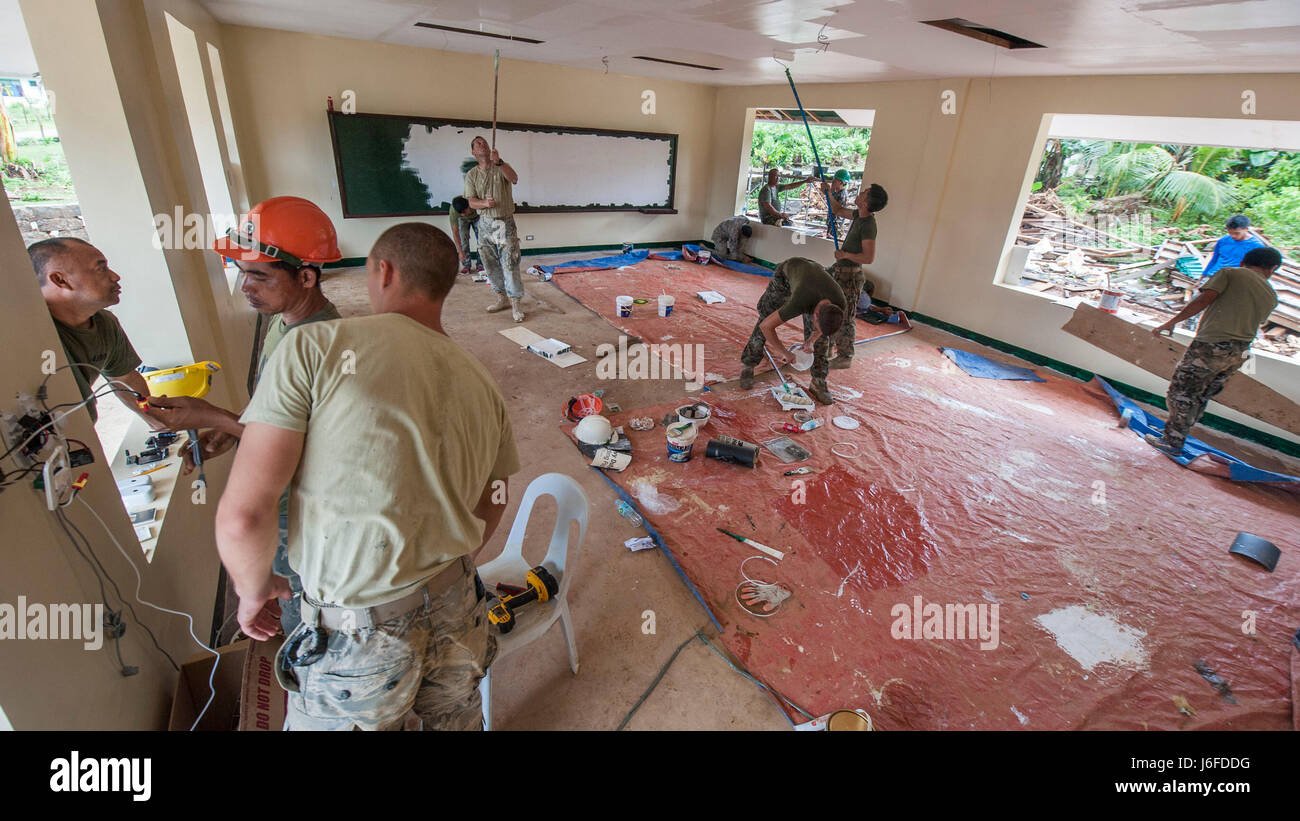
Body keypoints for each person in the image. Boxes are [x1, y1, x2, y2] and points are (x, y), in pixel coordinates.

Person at [215, 222, 520, 731]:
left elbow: (245, 515)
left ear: (383, 271)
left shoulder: (315, 348)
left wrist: (252, 589)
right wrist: (448, 562)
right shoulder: (481, 378)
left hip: (360, 628)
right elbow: (497, 495)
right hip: (459, 604)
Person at [148, 196, 343, 635]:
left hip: (304, 505)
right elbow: (284, 413)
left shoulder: (320, 343)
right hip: (283, 492)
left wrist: (215, 418)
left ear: (306, 276)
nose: (245, 287)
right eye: (242, 273)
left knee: (302, 605)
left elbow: (314, 445)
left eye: (258, 275)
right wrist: (239, 426)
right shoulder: (284, 320)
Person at [1146, 246, 1281, 456]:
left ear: (1244, 260)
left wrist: (1172, 322)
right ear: (1272, 268)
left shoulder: (1230, 273)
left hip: (1212, 345)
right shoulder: (1271, 294)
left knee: (1182, 392)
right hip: (1240, 351)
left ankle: (1172, 442)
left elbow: (1203, 299)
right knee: (1201, 395)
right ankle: (1174, 433)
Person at [31, 237, 167, 429]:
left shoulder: (104, 323)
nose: (115, 276)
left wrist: (156, 419)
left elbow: (124, 378)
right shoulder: (32, 334)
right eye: (101, 269)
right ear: (60, 280)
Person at [739, 257, 847, 406]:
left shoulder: (839, 304)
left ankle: (818, 382)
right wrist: (784, 352)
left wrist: (811, 340)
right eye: (817, 325)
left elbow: (823, 328)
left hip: (813, 273)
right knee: (765, 317)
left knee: (821, 340)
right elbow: (766, 326)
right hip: (787, 274)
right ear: (815, 315)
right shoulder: (800, 300)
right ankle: (749, 364)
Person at [821, 180, 889, 369]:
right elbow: (838, 210)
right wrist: (829, 194)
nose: (861, 192)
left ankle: (845, 355)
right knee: (832, 308)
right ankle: (828, 346)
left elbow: (868, 257)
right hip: (840, 272)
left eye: (864, 192)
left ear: (866, 203)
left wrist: (845, 255)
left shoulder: (868, 224)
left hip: (851, 276)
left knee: (846, 315)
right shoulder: (859, 215)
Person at [465, 135, 524, 322]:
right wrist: (483, 203)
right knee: (489, 263)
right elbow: (471, 201)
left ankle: (516, 303)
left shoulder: (500, 167)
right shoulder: (472, 174)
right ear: (474, 152)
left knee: (509, 262)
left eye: (484, 142)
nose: (482, 144)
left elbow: (514, 178)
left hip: (504, 222)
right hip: (485, 224)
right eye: (478, 143)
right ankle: (501, 297)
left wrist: (499, 162)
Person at [1201, 215, 1266, 279]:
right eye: (1230, 233)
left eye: (1237, 233)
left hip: (1236, 279)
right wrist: (1203, 275)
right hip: (1214, 275)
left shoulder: (1257, 246)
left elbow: (1257, 269)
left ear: (1246, 229)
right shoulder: (1223, 241)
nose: (1233, 236)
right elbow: (1214, 259)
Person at [449, 195, 482, 275]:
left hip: (477, 217)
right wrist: (460, 252)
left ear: (468, 206)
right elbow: (455, 233)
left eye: (464, 212)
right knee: (463, 239)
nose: (463, 214)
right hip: (462, 221)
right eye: (461, 213)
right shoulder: (454, 211)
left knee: (482, 239)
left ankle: (481, 264)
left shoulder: (474, 202)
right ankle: (466, 265)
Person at [824, 169, 851, 239]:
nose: (833, 181)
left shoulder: (842, 195)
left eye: (835, 180)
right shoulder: (836, 193)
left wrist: (829, 193)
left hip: (836, 224)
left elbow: (835, 209)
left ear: (841, 182)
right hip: (831, 223)